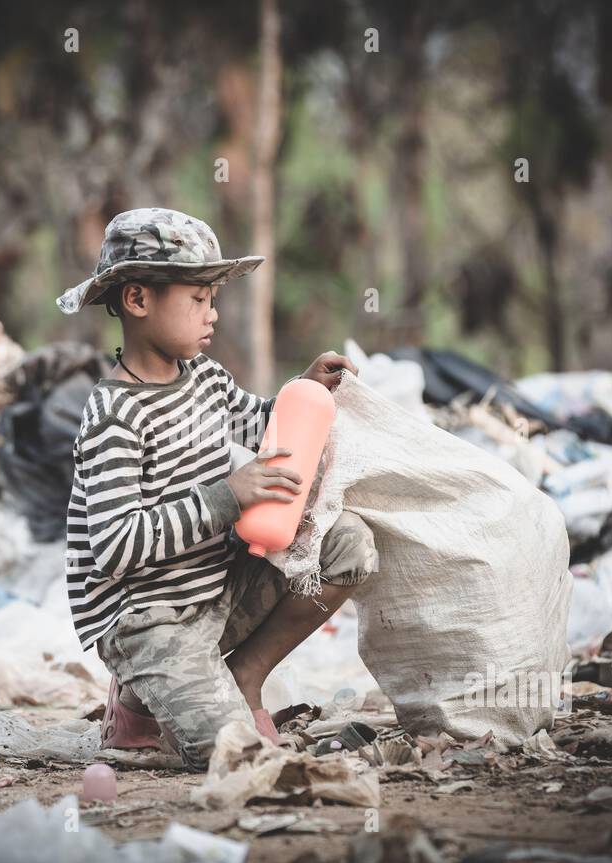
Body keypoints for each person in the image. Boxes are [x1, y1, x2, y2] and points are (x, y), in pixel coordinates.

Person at [58, 207, 379, 771]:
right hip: (151, 617)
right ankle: (138, 693)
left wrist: (303, 390)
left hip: (217, 588)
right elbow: (111, 547)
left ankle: (243, 678)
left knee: (348, 545)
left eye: (214, 299)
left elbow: (260, 425)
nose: (213, 314)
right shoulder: (114, 416)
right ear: (137, 300)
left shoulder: (204, 377)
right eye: (198, 299)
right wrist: (229, 497)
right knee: (238, 756)